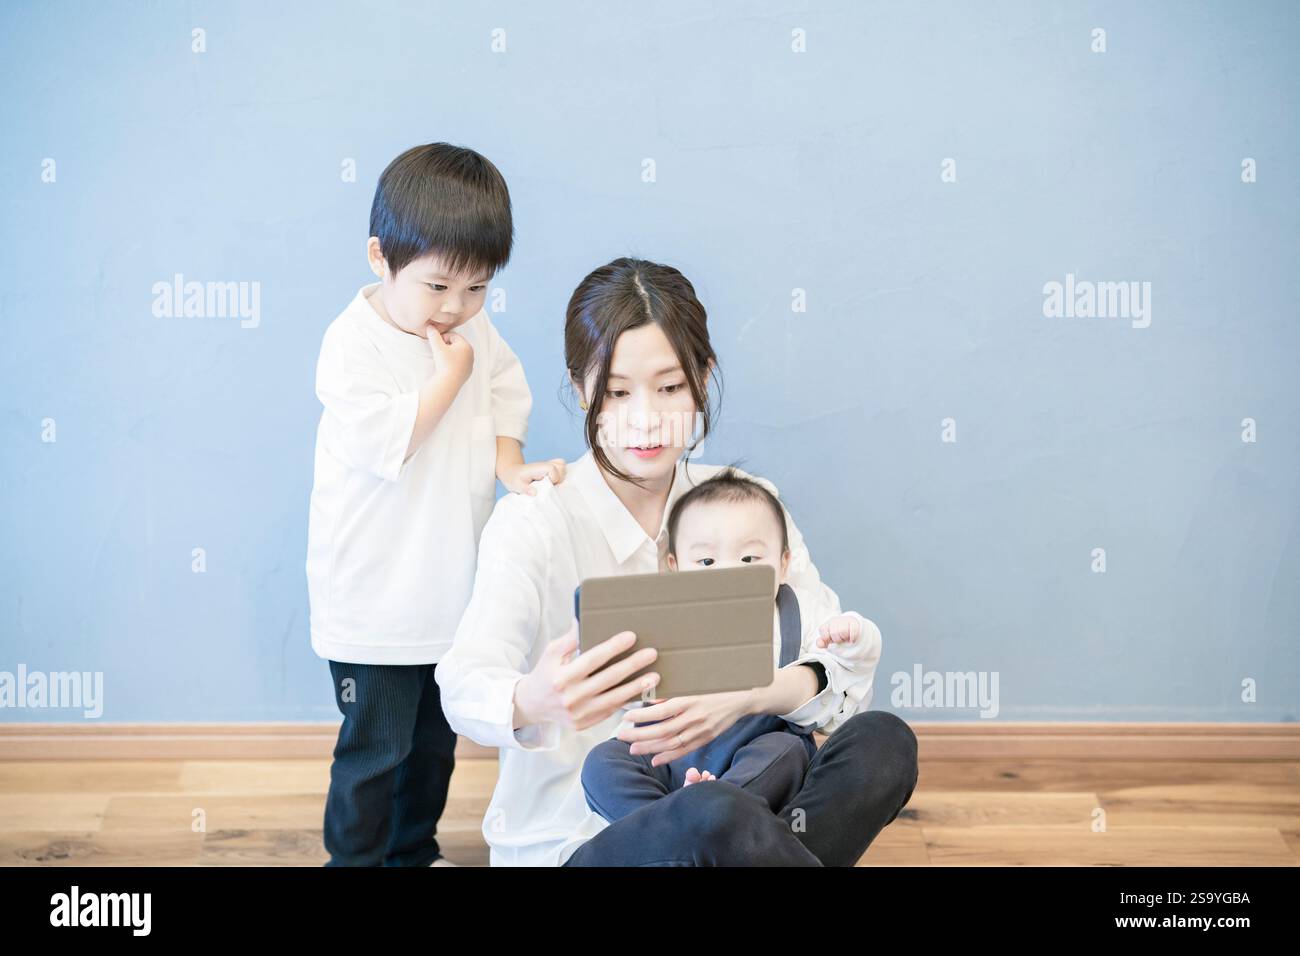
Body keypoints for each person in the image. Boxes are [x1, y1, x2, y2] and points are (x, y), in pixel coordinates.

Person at [436, 256, 918, 866]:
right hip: (579, 841)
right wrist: (534, 699)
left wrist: (748, 698)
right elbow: (462, 684)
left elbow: (843, 674)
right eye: (615, 392)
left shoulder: (743, 501)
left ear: (702, 376)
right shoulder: (537, 519)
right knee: (706, 814)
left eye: (669, 387)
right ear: (582, 387)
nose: (645, 419)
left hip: (746, 819)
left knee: (884, 743)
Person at [305, 142, 565, 866]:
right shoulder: (351, 345)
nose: (457, 307)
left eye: (478, 289)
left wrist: (508, 463)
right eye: (439, 286)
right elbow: (393, 441)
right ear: (379, 257)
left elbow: (507, 387)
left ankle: (412, 851)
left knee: (431, 744)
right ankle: (353, 861)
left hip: (449, 591)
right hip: (372, 604)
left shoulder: (470, 333)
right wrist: (451, 375)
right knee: (374, 752)